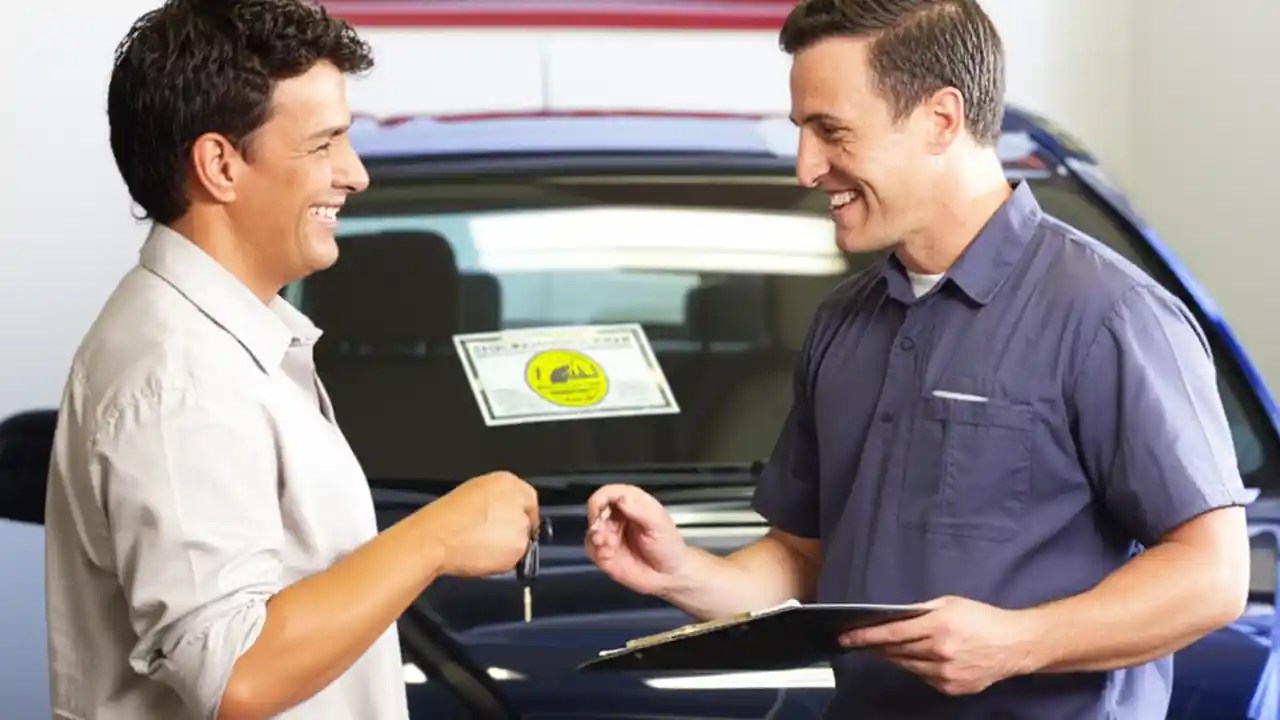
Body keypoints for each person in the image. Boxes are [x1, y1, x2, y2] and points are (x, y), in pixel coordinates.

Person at [584, 1, 1252, 717]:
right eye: (802, 132)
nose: (807, 168)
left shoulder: (1107, 314)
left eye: (831, 131)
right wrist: (679, 570)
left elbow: (1211, 575)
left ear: (941, 119)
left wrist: (1018, 642)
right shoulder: (845, 323)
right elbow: (806, 562)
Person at [42, 1, 539, 719]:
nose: (356, 174)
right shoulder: (179, 375)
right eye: (325, 144)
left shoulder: (230, 342)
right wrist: (435, 537)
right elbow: (235, 672)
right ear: (219, 164)